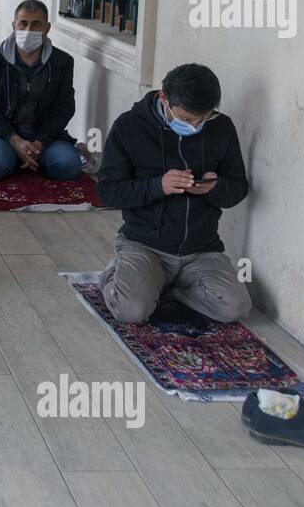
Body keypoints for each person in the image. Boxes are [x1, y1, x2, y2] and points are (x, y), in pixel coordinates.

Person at [96, 63, 252, 324]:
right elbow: (107, 192)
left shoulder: (222, 127)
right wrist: (159, 186)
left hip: (202, 249)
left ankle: (169, 291)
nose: (196, 125)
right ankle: (114, 274)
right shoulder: (129, 126)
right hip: (145, 245)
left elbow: (238, 189)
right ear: (163, 99)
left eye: (205, 118)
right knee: (131, 311)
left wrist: (215, 188)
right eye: (188, 119)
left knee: (234, 308)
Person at [0, 0, 81, 182]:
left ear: (47, 28)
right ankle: (16, 156)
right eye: (23, 23)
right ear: (14, 26)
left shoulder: (62, 62)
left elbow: (64, 108)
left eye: (36, 24)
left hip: (44, 136)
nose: (28, 29)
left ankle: (26, 157)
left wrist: (40, 143)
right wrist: (15, 141)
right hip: (3, 134)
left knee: (69, 166)